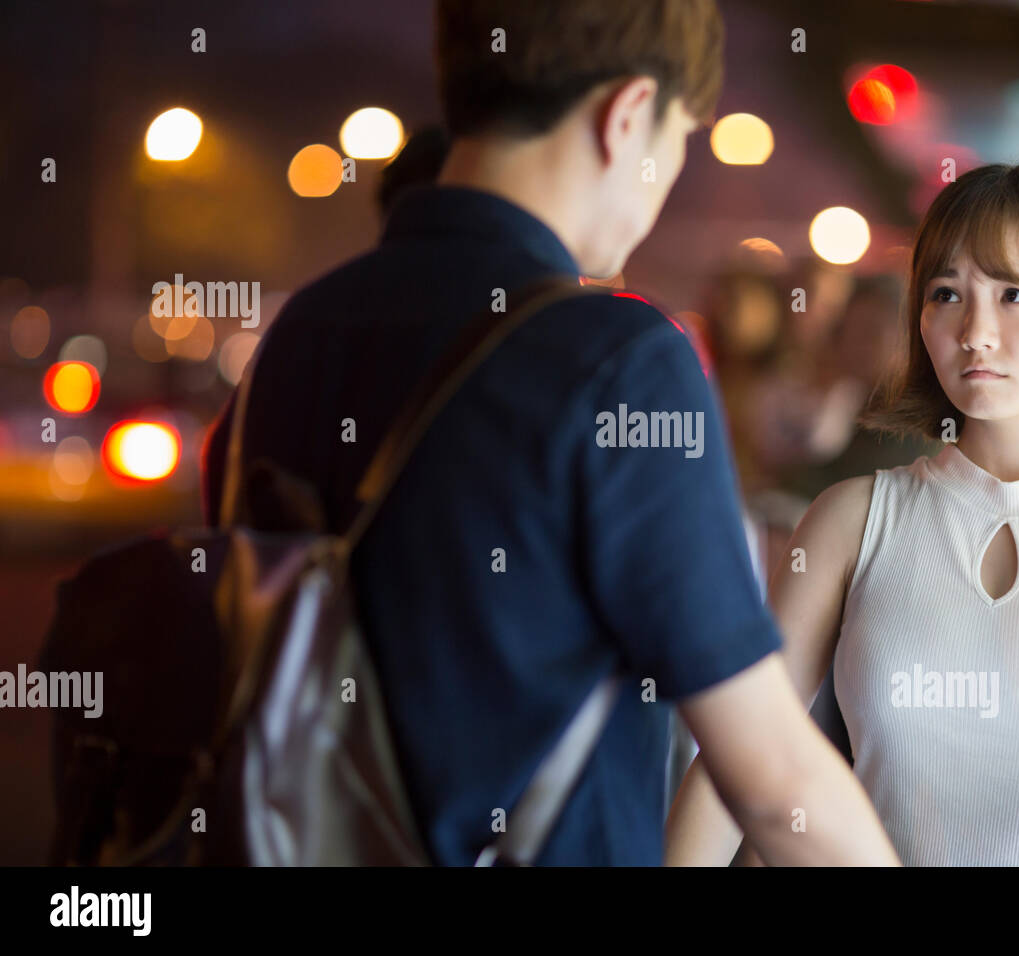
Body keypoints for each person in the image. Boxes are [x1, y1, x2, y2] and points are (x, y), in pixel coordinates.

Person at [202, 0, 899, 866]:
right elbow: (772, 774)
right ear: (628, 115)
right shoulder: (621, 358)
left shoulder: (296, 336)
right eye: (679, 141)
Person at [665, 162, 1019, 866]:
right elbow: (739, 756)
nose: (974, 332)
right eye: (947, 294)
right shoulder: (850, 521)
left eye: (1015, 294)